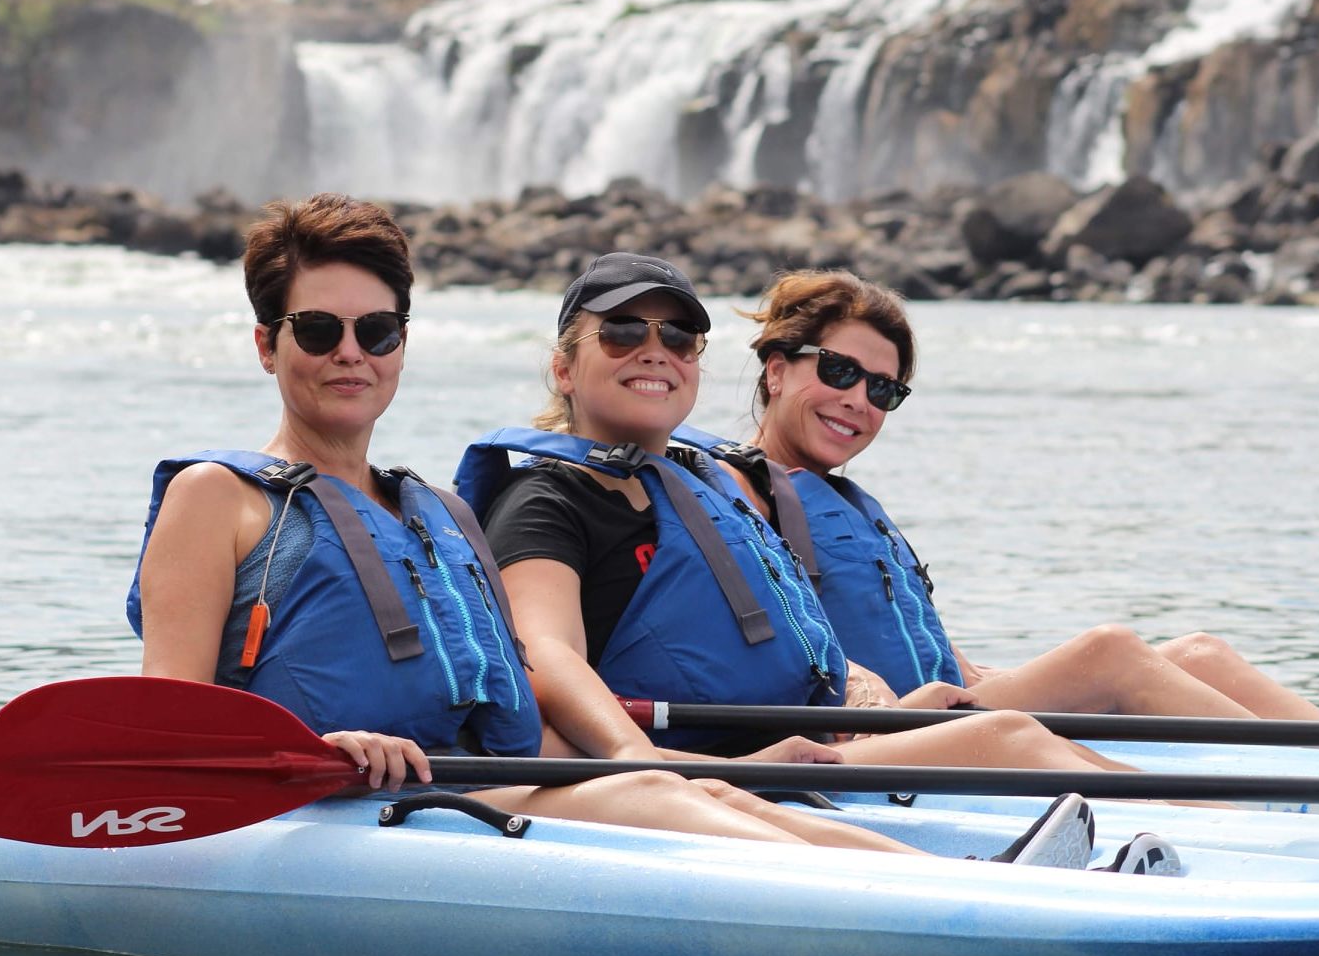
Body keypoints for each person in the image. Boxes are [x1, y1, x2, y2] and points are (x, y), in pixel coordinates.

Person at [124, 194, 1132, 865]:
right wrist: (326, 745)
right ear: (268, 344)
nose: (352, 353)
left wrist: (706, 768)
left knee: (721, 804)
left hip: (468, 797)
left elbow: (527, 711)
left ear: (401, 345)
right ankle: (980, 899)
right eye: (319, 330)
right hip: (332, 815)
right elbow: (164, 731)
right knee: (664, 803)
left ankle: (998, 889)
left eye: (376, 331)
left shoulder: (433, 515)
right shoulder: (218, 498)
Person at [456, 252, 1188, 868]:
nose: (655, 350)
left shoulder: (704, 486)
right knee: (1009, 732)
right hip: (690, 768)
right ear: (563, 367)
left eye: (679, 338)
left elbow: (804, 629)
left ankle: (1207, 836)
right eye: (620, 331)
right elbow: (546, 653)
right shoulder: (548, 500)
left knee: (1010, 724)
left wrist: (876, 706)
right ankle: (1168, 855)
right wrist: (650, 765)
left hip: (795, 750)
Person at [685, 267, 1319, 724]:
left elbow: (934, 652)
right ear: (776, 369)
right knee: (1109, 649)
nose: (858, 399)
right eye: (838, 371)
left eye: (882, 389)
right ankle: (1310, 797)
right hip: (901, 731)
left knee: (1198, 653)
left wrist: (1020, 681)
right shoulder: (739, 490)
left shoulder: (848, 506)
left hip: (962, 704)